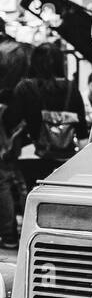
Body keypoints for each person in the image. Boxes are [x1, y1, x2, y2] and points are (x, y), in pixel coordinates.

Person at [4, 42, 88, 218]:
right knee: (61, 208)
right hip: (65, 159)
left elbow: (10, 120)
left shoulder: (25, 88)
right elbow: (82, 132)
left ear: (33, 62)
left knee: (35, 204)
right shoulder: (72, 89)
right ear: (60, 63)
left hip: (34, 157)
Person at [0, 34, 32, 250]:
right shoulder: (22, 51)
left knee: (3, 180)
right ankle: (17, 230)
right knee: (12, 177)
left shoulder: (3, 53)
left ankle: (9, 232)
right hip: (13, 129)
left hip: (3, 128)